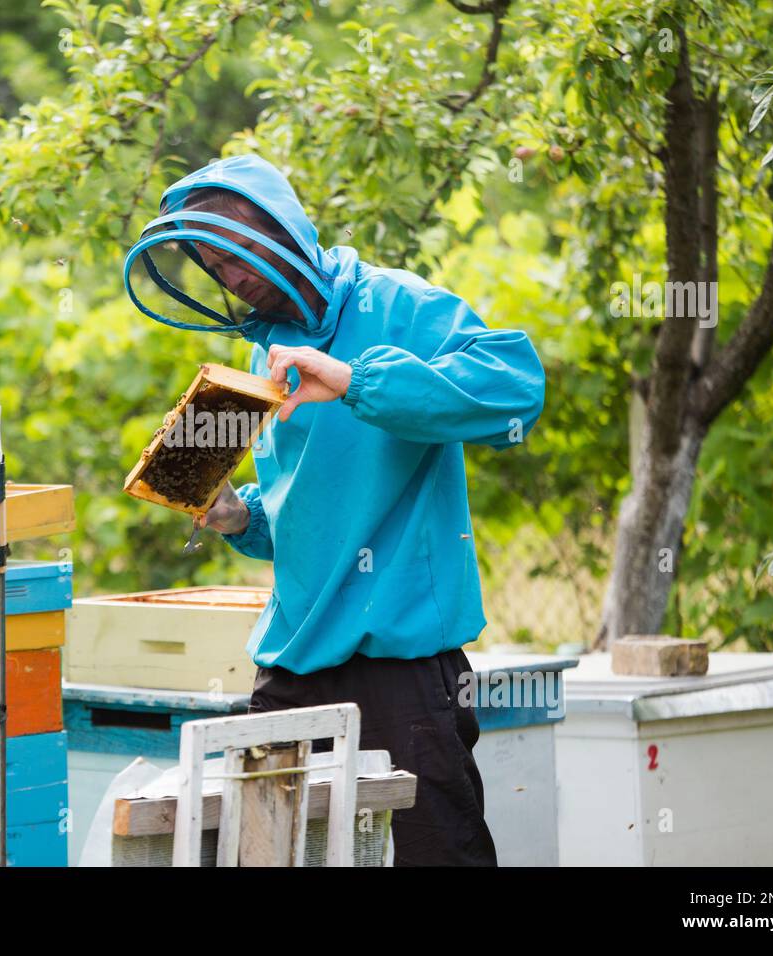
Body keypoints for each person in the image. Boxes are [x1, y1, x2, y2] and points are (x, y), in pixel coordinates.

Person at [122, 154, 546, 866]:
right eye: (214, 266)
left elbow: (516, 391)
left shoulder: (396, 306)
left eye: (238, 250)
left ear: (284, 227)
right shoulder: (264, 353)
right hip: (290, 668)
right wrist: (237, 517)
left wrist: (353, 380)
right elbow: (306, 514)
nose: (231, 276)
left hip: (402, 673)